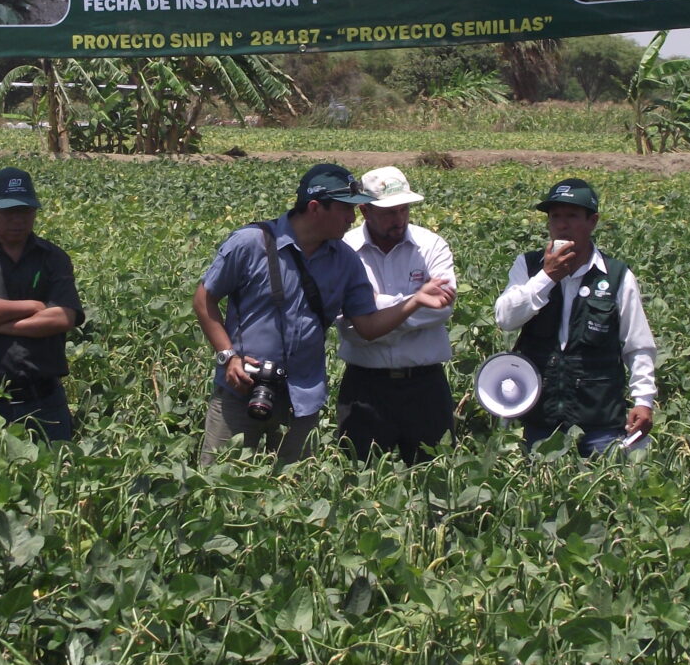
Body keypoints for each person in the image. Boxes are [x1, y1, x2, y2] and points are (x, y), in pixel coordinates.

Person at [193, 163, 453, 466]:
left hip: (301, 398)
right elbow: (203, 300)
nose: (352, 218)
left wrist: (414, 301)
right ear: (316, 208)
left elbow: (367, 326)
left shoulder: (345, 260)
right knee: (219, 479)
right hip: (241, 388)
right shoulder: (251, 243)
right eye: (345, 209)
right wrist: (228, 356)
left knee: (294, 486)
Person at [494, 178, 656, 455]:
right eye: (555, 216)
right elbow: (505, 318)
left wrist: (644, 400)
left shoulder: (616, 275)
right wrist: (546, 278)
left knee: (605, 480)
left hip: (600, 419)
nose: (562, 224)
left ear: (592, 222)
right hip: (540, 417)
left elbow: (638, 344)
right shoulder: (528, 266)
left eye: (571, 216)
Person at [0, 167, 84, 440]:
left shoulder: (53, 257)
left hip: (45, 399)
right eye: (9, 212)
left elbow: (63, 318)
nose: (18, 220)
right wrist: (34, 306)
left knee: (54, 467)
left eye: (25, 211)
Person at [336, 166, 457, 465]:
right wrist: (415, 300)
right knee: (359, 477)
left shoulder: (432, 245)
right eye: (389, 212)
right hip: (364, 386)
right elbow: (348, 325)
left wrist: (375, 313)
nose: (399, 219)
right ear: (365, 210)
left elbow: (442, 308)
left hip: (425, 387)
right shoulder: (343, 250)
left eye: (404, 209)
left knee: (434, 477)